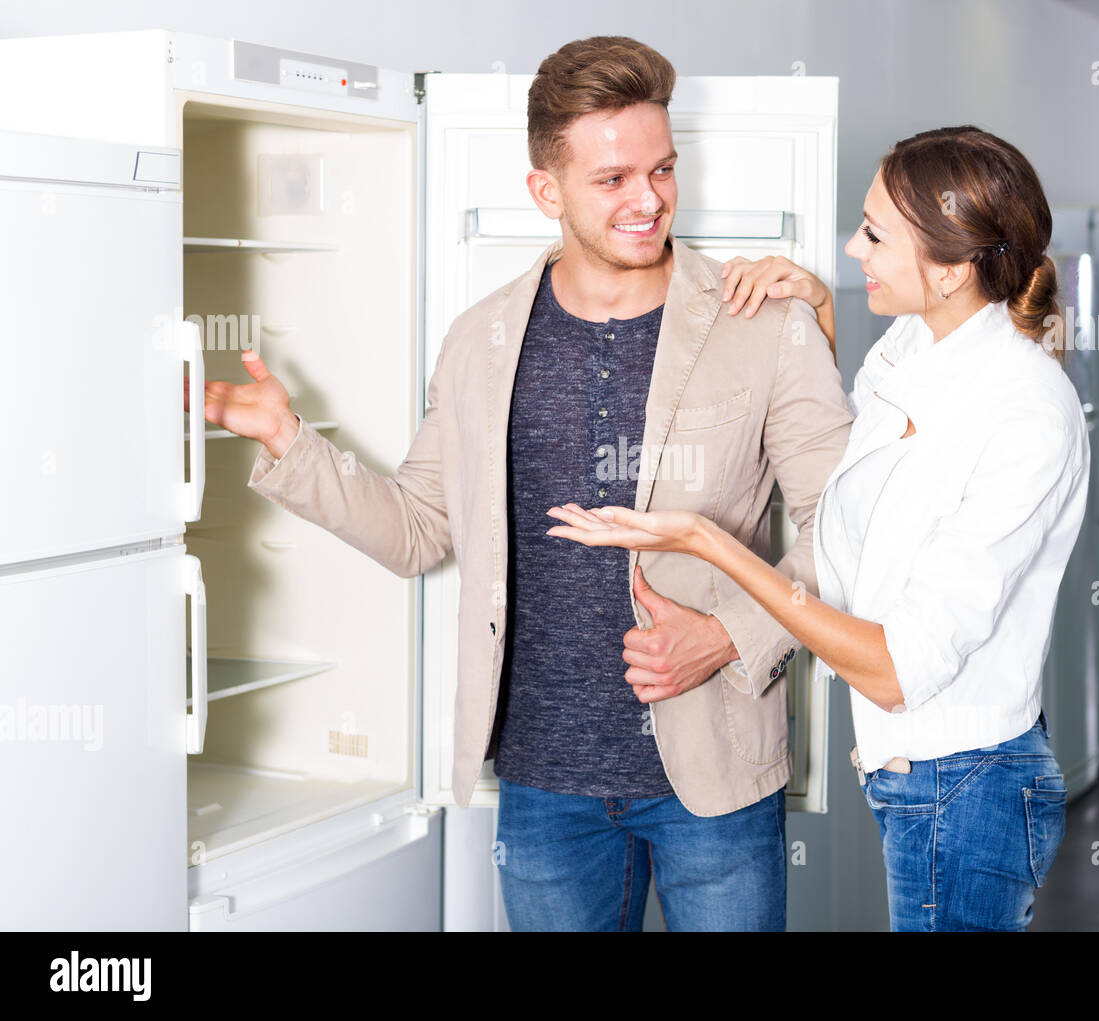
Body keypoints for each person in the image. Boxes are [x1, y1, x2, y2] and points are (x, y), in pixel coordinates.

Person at [195, 35, 853, 931]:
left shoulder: (763, 325)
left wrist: (728, 636)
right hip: (544, 788)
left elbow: (845, 529)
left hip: (718, 772)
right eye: (613, 179)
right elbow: (422, 527)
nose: (649, 199)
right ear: (546, 190)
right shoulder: (480, 340)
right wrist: (287, 439)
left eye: (662, 169)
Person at [547, 125, 1090, 932]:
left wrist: (710, 543)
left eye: (873, 234)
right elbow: (862, 486)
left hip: (966, 789)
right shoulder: (920, 339)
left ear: (948, 267)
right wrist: (818, 316)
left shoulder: (1027, 413)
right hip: (911, 778)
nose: (850, 246)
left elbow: (894, 671)